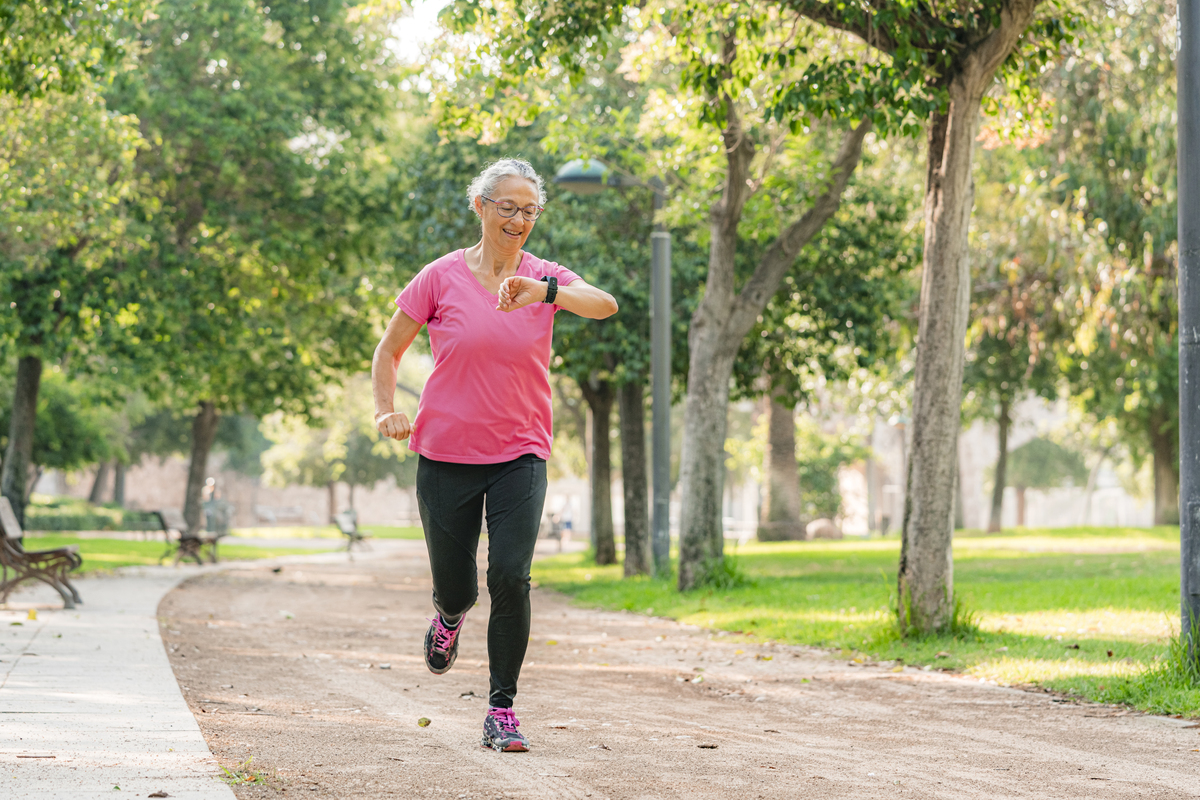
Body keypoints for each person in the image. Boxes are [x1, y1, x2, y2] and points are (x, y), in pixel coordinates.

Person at [371, 158, 618, 752]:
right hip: (445, 453)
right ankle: (448, 617)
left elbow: (604, 303)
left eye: (529, 210)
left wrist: (545, 291)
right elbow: (388, 351)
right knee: (458, 588)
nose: (518, 219)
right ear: (480, 206)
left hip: (520, 452)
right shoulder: (439, 277)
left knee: (511, 575)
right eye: (507, 207)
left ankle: (501, 709)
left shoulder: (544, 276)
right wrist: (385, 411)